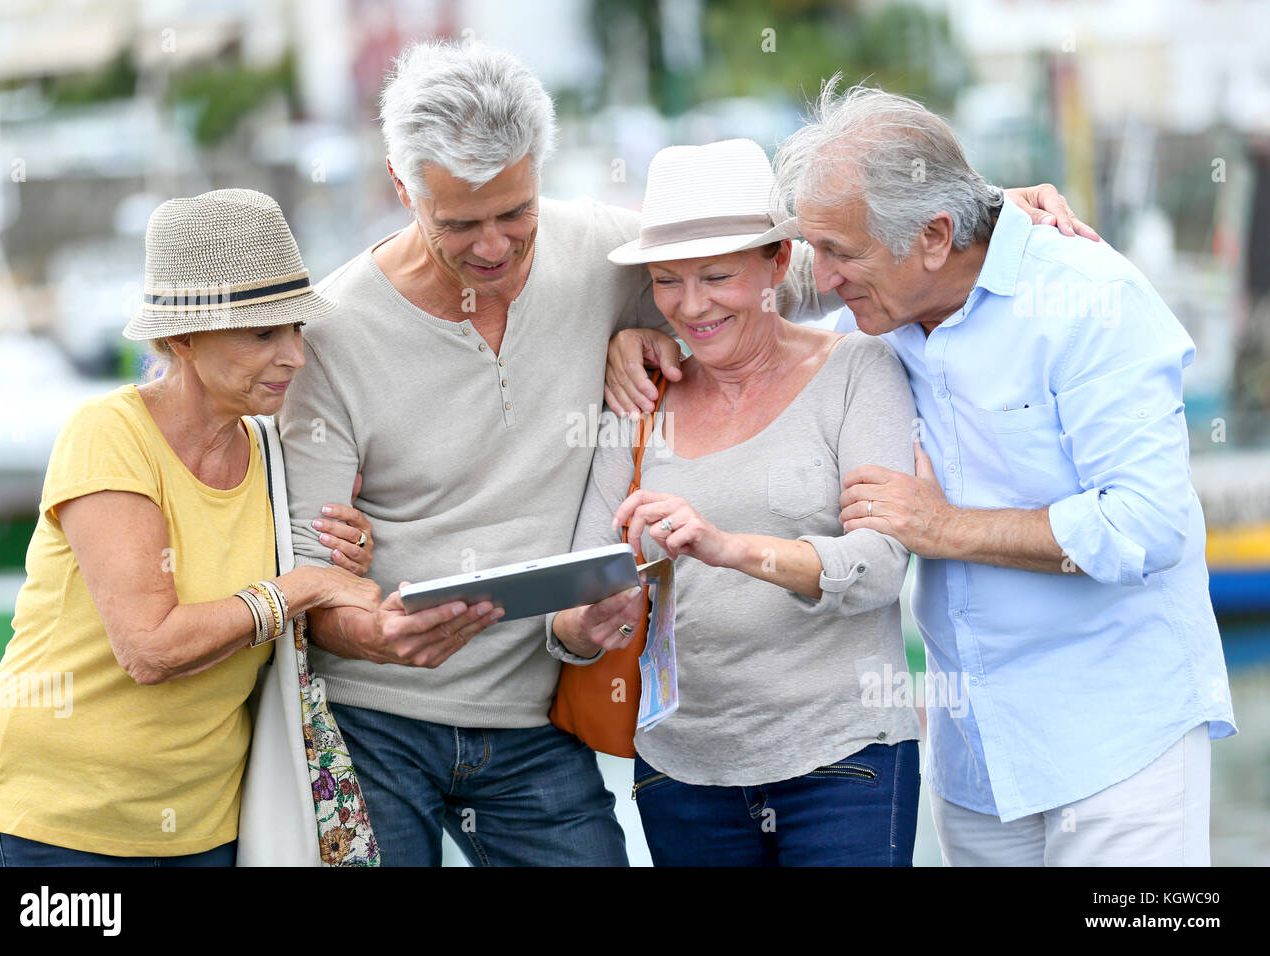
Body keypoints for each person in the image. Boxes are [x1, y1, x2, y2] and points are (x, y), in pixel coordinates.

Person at [277, 38, 1091, 868]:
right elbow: (314, 566)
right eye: (460, 223)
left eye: (514, 214)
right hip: (378, 718)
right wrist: (373, 634)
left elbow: (802, 265)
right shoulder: (334, 330)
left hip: (532, 720)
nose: (492, 247)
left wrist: (981, 222)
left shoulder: (599, 251)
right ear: (399, 185)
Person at [771, 79, 1235, 865]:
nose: (825, 275)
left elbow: (1145, 525)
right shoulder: (880, 294)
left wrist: (941, 527)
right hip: (977, 759)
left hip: (1124, 750)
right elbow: (726, 291)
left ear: (933, 236)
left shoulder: (1093, 300)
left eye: (840, 254)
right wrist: (631, 338)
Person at [0, 188, 381, 866]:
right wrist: (303, 587)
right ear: (183, 337)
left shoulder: (276, 452)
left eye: (296, 330)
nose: (295, 357)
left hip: (207, 826)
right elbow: (149, 648)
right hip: (58, 827)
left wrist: (346, 553)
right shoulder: (107, 434)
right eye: (263, 333)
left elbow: (318, 577)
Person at [553, 139, 921, 866]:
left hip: (845, 758)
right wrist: (582, 623)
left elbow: (880, 567)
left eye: (717, 276)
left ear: (777, 264)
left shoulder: (858, 369)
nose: (691, 306)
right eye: (666, 281)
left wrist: (724, 547)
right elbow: (575, 598)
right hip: (682, 773)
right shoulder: (640, 397)